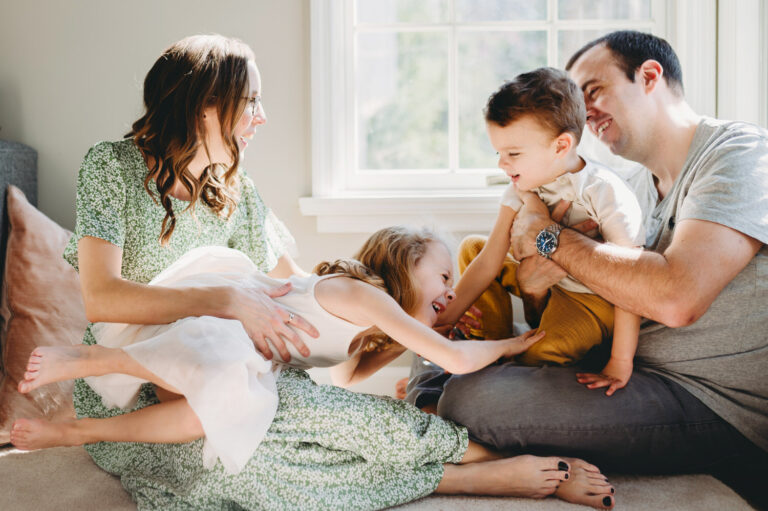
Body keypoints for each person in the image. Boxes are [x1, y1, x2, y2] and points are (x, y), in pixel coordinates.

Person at [17, 34, 615, 510]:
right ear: (206, 106)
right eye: (252, 101)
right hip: (139, 388)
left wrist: (394, 328)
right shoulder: (114, 167)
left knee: (337, 423)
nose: (262, 116)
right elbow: (102, 298)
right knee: (248, 465)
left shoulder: (237, 190)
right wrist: (229, 299)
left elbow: (301, 297)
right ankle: (473, 476)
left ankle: (462, 462)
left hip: (237, 372)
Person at [407, 30, 768, 506]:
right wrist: (533, 286)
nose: (584, 111)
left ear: (649, 76)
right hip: (604, 354)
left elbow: (676, 298)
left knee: (470, 399)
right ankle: (427, 407)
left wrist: (548, 237)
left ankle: (434, 417)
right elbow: (568, 300)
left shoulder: (740, 153)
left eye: (593, 91)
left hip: (700, 397)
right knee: (432, 315)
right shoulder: (630, 182)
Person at [13, 229, 548, 474]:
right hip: (219, 325)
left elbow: (347, 375)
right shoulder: (363, 296)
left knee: (208, 415)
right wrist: (511, 343)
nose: (451, 291)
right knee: (217, 363)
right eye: (445, 276)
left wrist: (410, 337)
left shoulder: (371, 323)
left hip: (231, 356)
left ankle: (78, 432)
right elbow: (455, 361)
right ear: (406, 265)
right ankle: (93, 359)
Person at [438, 67, 645, 393]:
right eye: (498, 153)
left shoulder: (602, 191)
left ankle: (512, 367)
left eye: (513, 154)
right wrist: (443, 321)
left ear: (561, 146)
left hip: (590, 300)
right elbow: (489, 260)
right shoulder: (523, 185)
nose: (502, 164)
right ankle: (493, 347)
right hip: (549, 284)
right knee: (472, 247)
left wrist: (620, 361)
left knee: (539, 353)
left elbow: (632, 280)